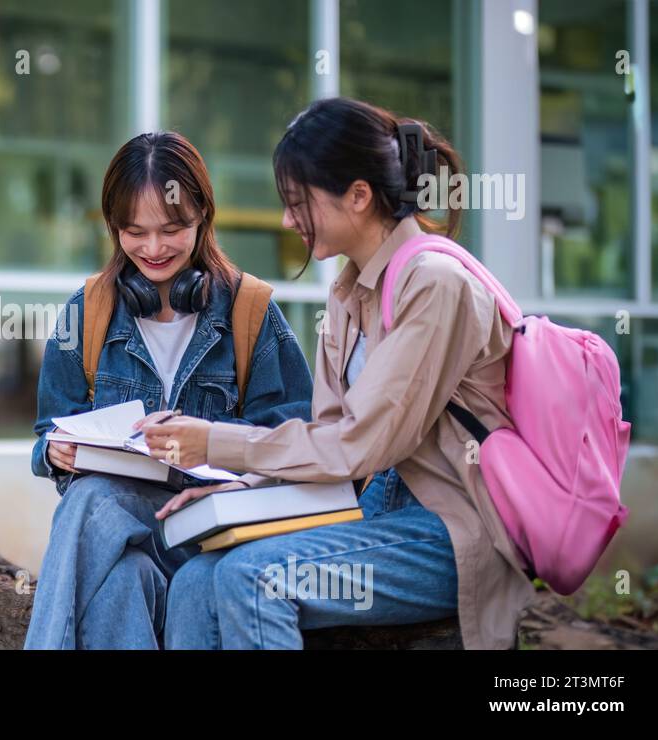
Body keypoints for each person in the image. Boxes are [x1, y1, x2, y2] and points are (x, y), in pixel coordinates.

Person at [141, 97, 535, 650]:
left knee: (254, 578)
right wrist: (240, 487)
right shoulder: (348, 293)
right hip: (371, 516)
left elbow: (359, 446)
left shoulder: (435, 284)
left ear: (358, 194)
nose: (286, 220)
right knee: (193, 582)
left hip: (450, 531)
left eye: (299, 202)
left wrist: (215, 444)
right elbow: (325, 439)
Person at [24, 131, 313, 649]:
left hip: (212, 525)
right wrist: (56, 450)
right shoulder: (87, 311)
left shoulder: (251, 311)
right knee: (119, 580)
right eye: (135, 232)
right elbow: (48, 431)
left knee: (90, 501)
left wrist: (212, 441)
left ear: (203, 216)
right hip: (126, 523)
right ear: (114, 228)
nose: (153, 250)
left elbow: (297, 429)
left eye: (172, 229)